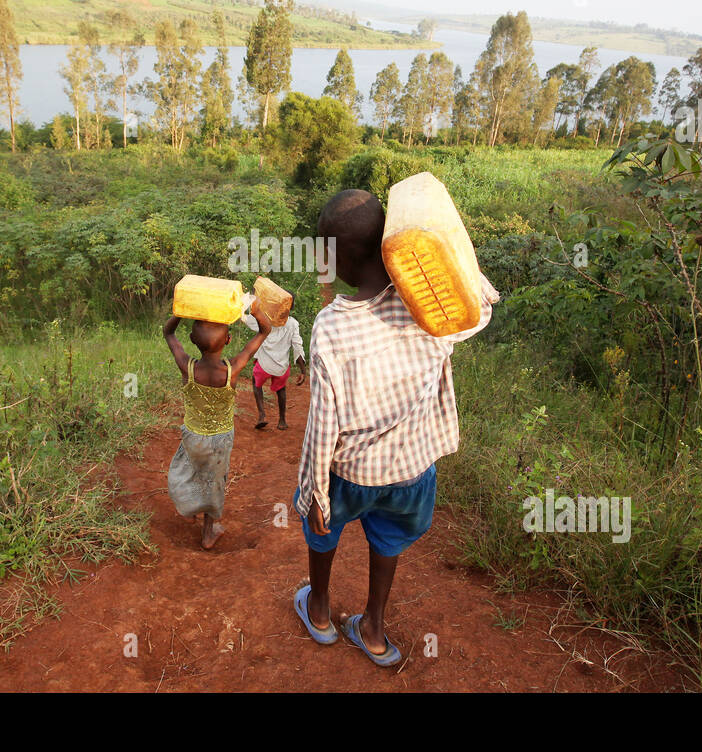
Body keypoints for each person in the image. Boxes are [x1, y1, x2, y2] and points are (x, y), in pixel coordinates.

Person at [292, 189, 500, 666]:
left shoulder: (331, 327)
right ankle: (373, 628)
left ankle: (320, 611)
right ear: (388, 241)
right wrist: (435, 249)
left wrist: (315, 492)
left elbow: (323, 425)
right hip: (410, 472)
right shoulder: (433, 312)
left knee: (322, 531)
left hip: (349, 473)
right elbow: (481, 304)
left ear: (332, 260)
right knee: (387, 542)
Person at [162, 309, 272, 549]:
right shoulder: (231, 370)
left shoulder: (187, 367)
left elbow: (168, 332)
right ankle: (208, 532)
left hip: (192, 437)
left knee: (188, 471)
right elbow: (265, 330)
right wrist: (253, 308)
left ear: (192, 340)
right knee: (214, 483)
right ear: (229, 340)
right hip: (220, 442)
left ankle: (189, 507)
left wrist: (182, 308)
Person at [239, 290, 307, 430]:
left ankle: (262, 414)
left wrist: (248, 300)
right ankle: (282, 421)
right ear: (292, 307)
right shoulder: (293, 324)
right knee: (281, 390)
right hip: (281, 367)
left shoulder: (265, 319)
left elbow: (245, 318)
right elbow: (297, 346)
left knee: (256, 384)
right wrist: (303, 370)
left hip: (263, 364)